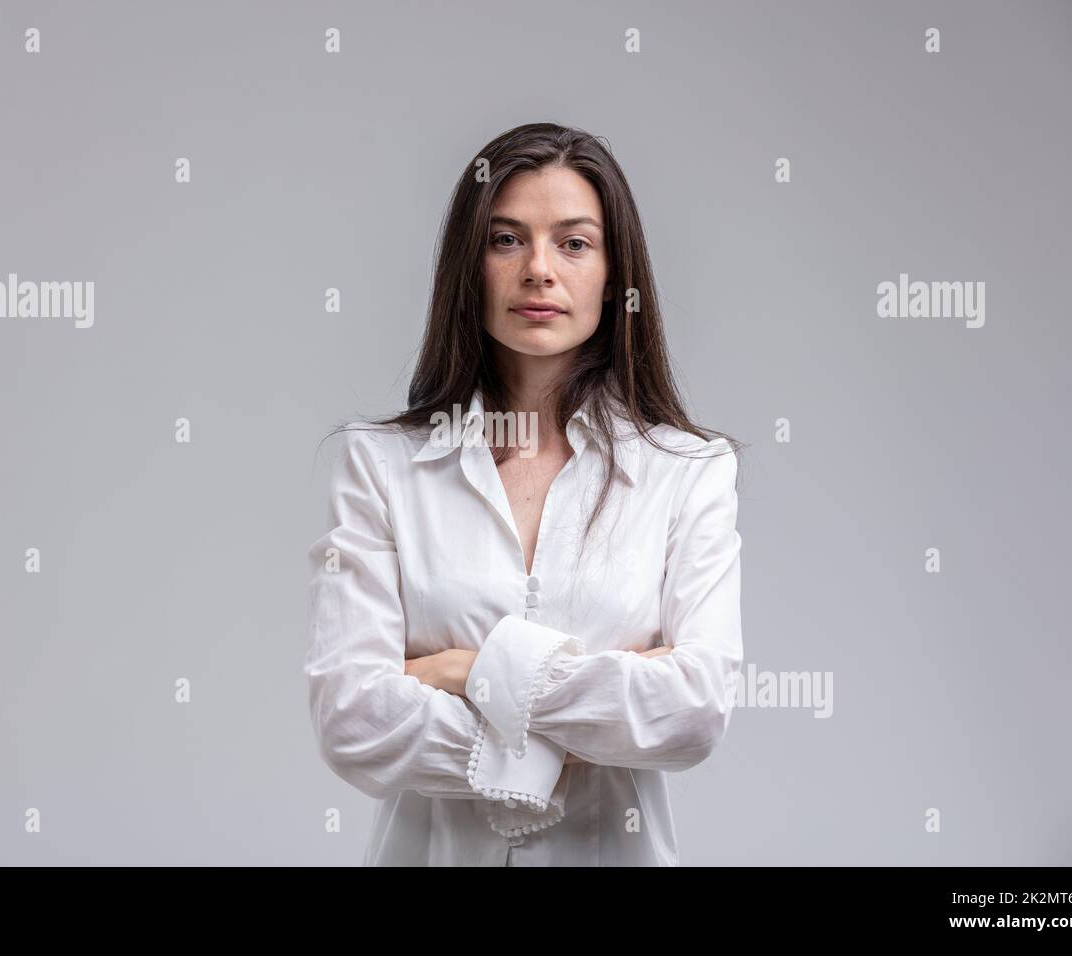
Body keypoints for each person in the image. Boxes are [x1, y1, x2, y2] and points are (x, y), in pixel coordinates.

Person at [303, 122, 744, 866]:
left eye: (574, 243)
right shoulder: (381, 465)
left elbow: (693, 713)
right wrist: (594, 713)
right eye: (506, 240)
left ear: (615, 275)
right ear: (466, 269)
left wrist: (465, 672)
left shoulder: (688, 470)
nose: (539, 269)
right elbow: (352, 721)